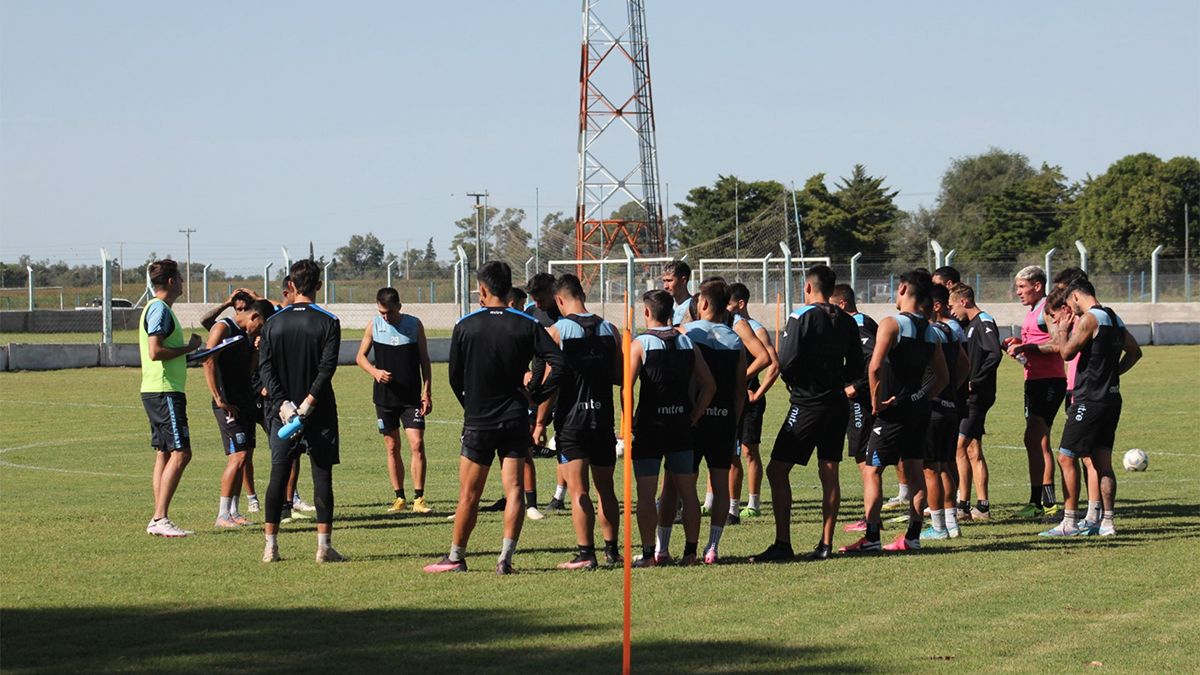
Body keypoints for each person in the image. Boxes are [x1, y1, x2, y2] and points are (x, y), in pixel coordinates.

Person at [425, 261, 565, 574]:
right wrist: (538, 397)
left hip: (479, 420)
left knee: (468, 494)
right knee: (515, 490)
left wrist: (469, 403)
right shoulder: (526, 323)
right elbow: (558, 361)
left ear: (484, 290)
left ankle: (456, 557)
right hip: (515, 417)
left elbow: (454, 376)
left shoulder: (466, 324)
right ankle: (505, 560)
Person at [751, 266, 861, 562]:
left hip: (807, 405)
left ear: (808, 287)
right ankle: (825, 544)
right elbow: (855, 368)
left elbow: (786, 362)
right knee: (829, 472)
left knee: (777, 470)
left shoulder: (801, 316)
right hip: (838, 405)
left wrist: (800, 385)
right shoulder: (848, 322)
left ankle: (783, 543)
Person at [842, 270, 949, 553]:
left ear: (902, 289)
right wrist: (920, 397)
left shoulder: (891, 323)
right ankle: (912, 537)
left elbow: (874, 367)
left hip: (892, 412)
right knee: (915, 471)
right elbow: (943, 377)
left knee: (873, 471)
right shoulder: (931, 330)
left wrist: (877, 403)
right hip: (918, 411)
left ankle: (872, 536)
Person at [258, 259, 344, 563]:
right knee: (322, 477)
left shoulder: (273, 323)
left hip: (281, 412)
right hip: (317, 411)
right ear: (319, 286)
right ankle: (323, 547)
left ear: (291, 286)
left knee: (278, 476)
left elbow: (265, 368)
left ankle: (271, 546)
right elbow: (327, 368)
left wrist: (282, 403)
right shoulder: (329, 321)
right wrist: (309, 402)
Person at [1041, 277, 1140, 537]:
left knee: (1066, 456)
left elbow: (1066, 353)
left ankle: (1069, 522)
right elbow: (1135, 352)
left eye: (1070, 303)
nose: (1070, 310)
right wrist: (1113, 374)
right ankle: (1107, 523)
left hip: (1089, 400)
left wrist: (1062, 329)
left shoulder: (1090, 319)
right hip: (1111, 399)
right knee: (1102, 462)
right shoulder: (1115, 318)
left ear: (1075, 297)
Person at [628, 290, 715, 567]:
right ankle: (690, 553)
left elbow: (626, 388)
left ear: (646, 312)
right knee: (688, 492)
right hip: (680, 425)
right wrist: (695, 415)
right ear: (671, 313)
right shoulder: (688, 342)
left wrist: (625, 422)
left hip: (650, 427)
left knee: (645, 492)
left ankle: (648, 553)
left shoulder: (640, 343)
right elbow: (709, 386)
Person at [662, 278, 746, 565]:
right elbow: (739, 389)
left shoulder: (686, 332)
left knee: (674, 483)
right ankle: (712, 547)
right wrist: (733, 421)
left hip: (691, 418)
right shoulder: (736, 339)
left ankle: (664, 548)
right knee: (720, 482)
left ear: (704, 303)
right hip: (723, 420)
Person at [545, 274, 623, 569]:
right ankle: (612, 551)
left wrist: (539, 420)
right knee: (606, 489)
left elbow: (548, 382)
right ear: (583, 294)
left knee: (579, 490)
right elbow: (618, 377)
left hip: (572, 422)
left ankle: (585, 554)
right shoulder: (610, 328)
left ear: (560, 300)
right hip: (602, 420)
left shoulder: (557, 331)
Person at [356, 287, 434, 514]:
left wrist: (426, 392)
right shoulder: (374, 325)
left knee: (417, 444)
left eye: (389, 312)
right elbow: (360, 357)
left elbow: (425, 361)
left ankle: (419, 499)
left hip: (411, 399)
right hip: (384, 399)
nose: (386, 317)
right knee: (392, 447)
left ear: (399, 307)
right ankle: (399, 497)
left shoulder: (414, 325)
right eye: (382, 312)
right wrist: (375, 372)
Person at [140, 259, 203, 537]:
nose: (182, 282)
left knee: (164, 454)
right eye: (179, 277)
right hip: (164, 390)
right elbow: (155, 351)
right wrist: (188, 348)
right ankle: (159, 517)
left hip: (158, 388)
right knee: (182, 452)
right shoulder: (159, 310)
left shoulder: (157, 309)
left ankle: (159, 516)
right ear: (170, 281)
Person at [203, 293, 273, 527]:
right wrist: (219, 398)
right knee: (238, 456)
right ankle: (222, 514)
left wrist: (255, 350)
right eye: (260, 326)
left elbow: (250, 370)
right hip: (228, 404)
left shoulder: (246, 336)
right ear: (254, 316)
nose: (259, 331)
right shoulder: (224, 327)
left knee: (245, 456)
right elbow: (208, 361)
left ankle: (233, 511)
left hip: (245, 402)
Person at [1004, 266, 1068, 519]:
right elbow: (1033, 348)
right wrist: (1017, 348)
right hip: (1034, 381)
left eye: (1022, 287)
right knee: (1037, 441)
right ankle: (1041, 502)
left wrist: (1027, 347)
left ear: (1037, 286)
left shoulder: (1046, 309)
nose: (1017, 292)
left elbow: (1058, 345)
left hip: (1049, 382)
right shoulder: (1032, 311)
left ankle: (1044, 502)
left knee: (1036, 439)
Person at [918, 284, 970, 540]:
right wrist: (951, 388)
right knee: (944, 467)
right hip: (951, 407)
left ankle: (938, 526)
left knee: (930, 469)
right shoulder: (950, 331)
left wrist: (928, 393)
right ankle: (952, 524)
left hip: (934, 409)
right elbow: (964, 364)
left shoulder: (928, 333)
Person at [727, 283, 780, 522]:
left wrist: (757, 392)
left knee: (749, 450)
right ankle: (722, 503)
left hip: (750, 399)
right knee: (728, 452)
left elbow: (773, 364)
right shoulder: (727, 326)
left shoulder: (755, 330)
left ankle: (754, 502)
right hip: (733, 397)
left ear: (740, 304)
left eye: (728, 303)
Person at [829, 283, 878, 534]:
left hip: (861, 399)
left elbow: (873, 358)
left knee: (863, 457)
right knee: (865, 456)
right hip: (863, 397)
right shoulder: (865, 321)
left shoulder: (857, 324)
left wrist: (856, 386)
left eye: (831, 306)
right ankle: (871, 515)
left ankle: (871, 517)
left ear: (841, 304)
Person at [949, 283, 1000, 521]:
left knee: (960, 446)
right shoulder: (970, 326)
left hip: (978, 396)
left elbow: (994, 353)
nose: (951, 312)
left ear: (963, 301)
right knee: (972, 448)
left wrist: (975, 381)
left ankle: (962, 505)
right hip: (973, 395)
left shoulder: (984, 321)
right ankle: (981, 506)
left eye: (952, 306)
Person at [523, 272, 562, 518]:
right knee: (525, 441)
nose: (537, 303)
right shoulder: (530, 314)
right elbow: (519, 348)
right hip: (535, 385)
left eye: (540, 298)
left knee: (563, 440)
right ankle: (525, 497)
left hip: (561, 383)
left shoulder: (564, 313)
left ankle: (559, 495)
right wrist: (523, 371)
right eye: (533, 299)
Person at [661, 260, 693, 326]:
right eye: (664, 281)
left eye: (669, 281)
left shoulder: (694, 306)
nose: (665, 286)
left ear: (683, 281)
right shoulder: (666, 306)